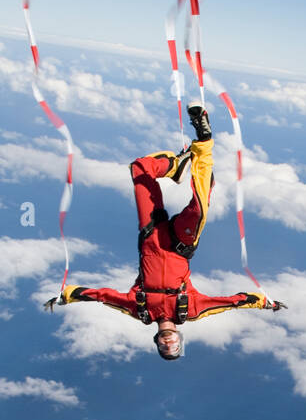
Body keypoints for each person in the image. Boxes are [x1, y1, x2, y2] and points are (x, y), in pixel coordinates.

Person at [44, 105, 285, 359]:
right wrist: (264, 302)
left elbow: (103, 296)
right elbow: (228, 302)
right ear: (179, 339)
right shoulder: (191, 310)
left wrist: (67, 296)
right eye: (174, 345)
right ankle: (203, 143)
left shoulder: (140, 311)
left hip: (151, 235)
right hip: (181, 244)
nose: (168, 341)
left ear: (156, 341)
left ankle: (174, 167)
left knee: (140, 168)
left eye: (164, 346)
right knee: (199, 210)